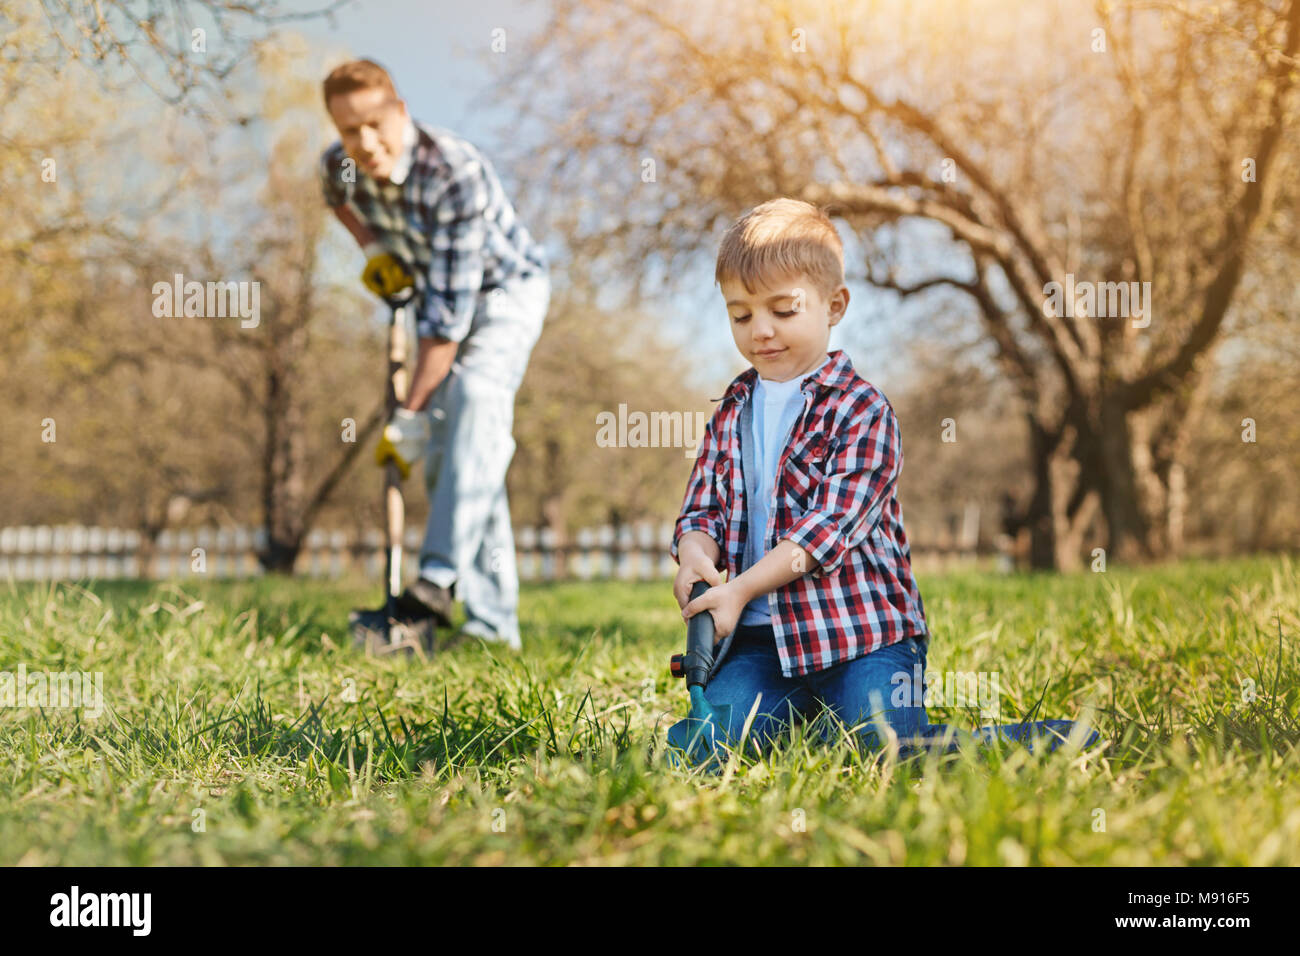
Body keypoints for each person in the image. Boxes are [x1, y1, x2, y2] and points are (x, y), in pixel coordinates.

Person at [670, 198, 1098, 759]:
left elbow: (824, 533)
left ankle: (1050, 741)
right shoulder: (732, 408)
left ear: (834, 305)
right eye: (741, 315)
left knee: (883, 743)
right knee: (707, 744)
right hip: (761, 645)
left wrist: (742, 587)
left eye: (784, 310)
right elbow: (703, 507)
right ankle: (802, 720)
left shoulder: (862, 409)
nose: (762, 331)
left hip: (863, 639)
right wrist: (695, 554)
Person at [319, 59, 549, 651]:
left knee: (473, 398)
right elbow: (334, 195)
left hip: (505, 292)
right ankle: (492, 628)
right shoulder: (340, 164)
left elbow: (445, 329)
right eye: (349, 130)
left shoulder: (453, 172)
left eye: (375, 123)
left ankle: (437, 579)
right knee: (471, 447)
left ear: (400, 110)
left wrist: (411, 415)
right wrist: (373, 249)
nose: (364, 143)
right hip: (440, 300)